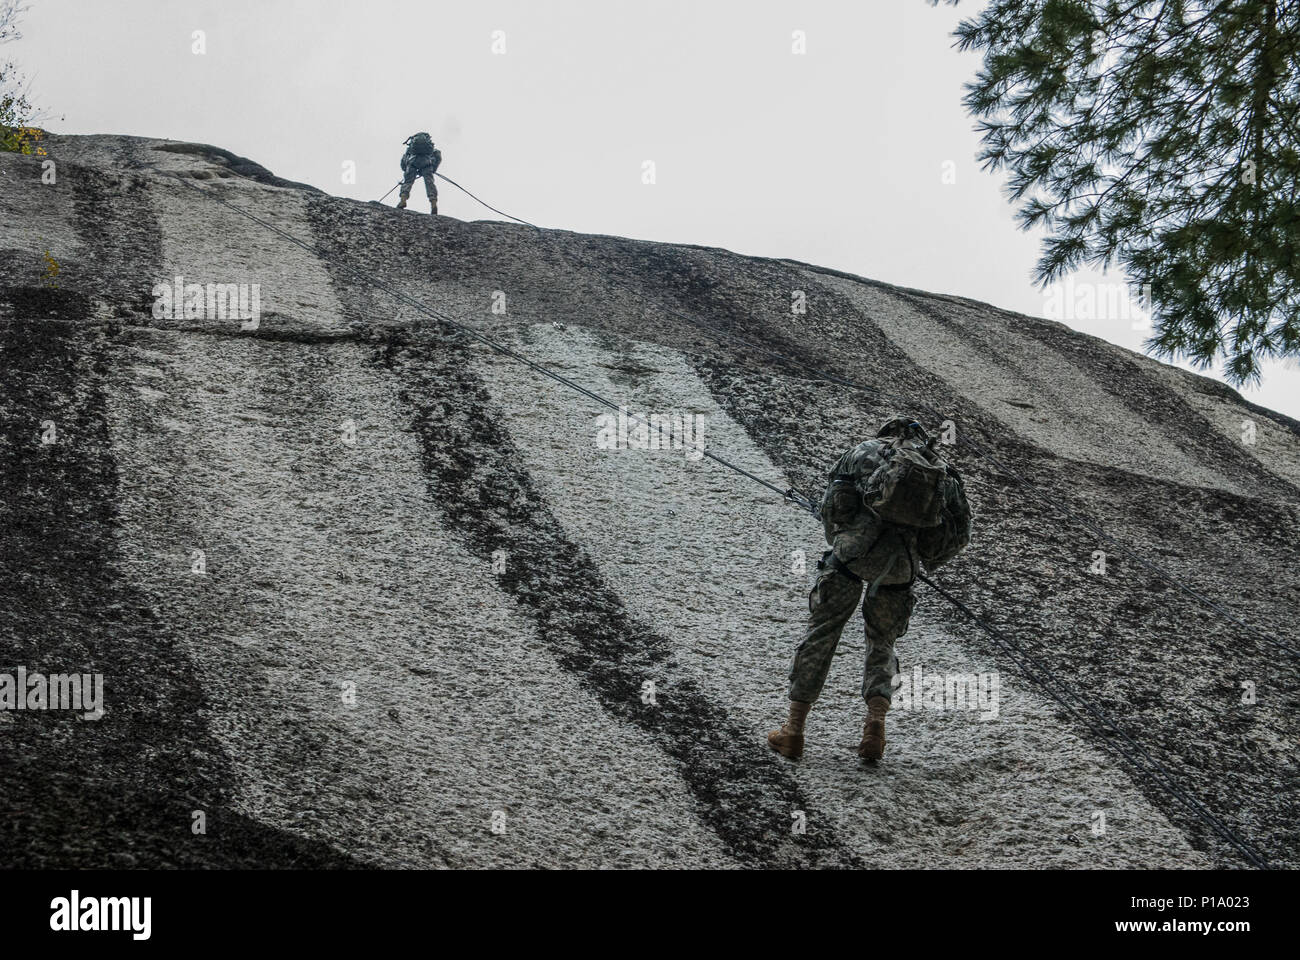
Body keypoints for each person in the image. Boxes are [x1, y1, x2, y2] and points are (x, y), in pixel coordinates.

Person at [769, 417, 952, 763]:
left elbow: (831, 507)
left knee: (821, 634)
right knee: (882, 644)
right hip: (899, 570)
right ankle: (874, 729)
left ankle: (793, 732)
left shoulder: (863, 452)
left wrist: (842, 538)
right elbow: (949, 537)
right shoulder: (938, 469)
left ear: (886, 434)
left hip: (849, 560)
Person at [397, 132, 442, 214]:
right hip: (427, 163)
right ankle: (433, 204)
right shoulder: (430, 148)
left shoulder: (410, 149)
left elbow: (403, 161)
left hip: (412, 163)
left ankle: (403, 200)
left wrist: (406, 171)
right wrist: (433, 168)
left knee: (408, 182)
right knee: (430, 184)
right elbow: (438, 155)